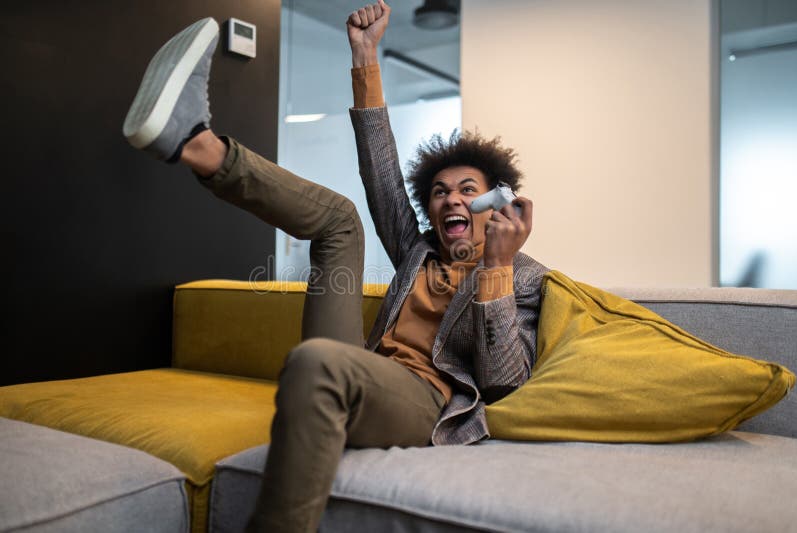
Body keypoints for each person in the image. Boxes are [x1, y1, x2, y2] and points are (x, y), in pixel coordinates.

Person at [123, 1, 548, 531]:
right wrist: (365, 54)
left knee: (319, 362)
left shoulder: (525, 276)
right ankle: (198, 145)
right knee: (341, 219)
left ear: (494, 206)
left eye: (468, 191)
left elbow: (504, 383)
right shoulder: (416, 249)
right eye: (439, 193)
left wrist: (497, 268)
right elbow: (380, 166)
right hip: (367, 371)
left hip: (425, 403)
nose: (450, 200)